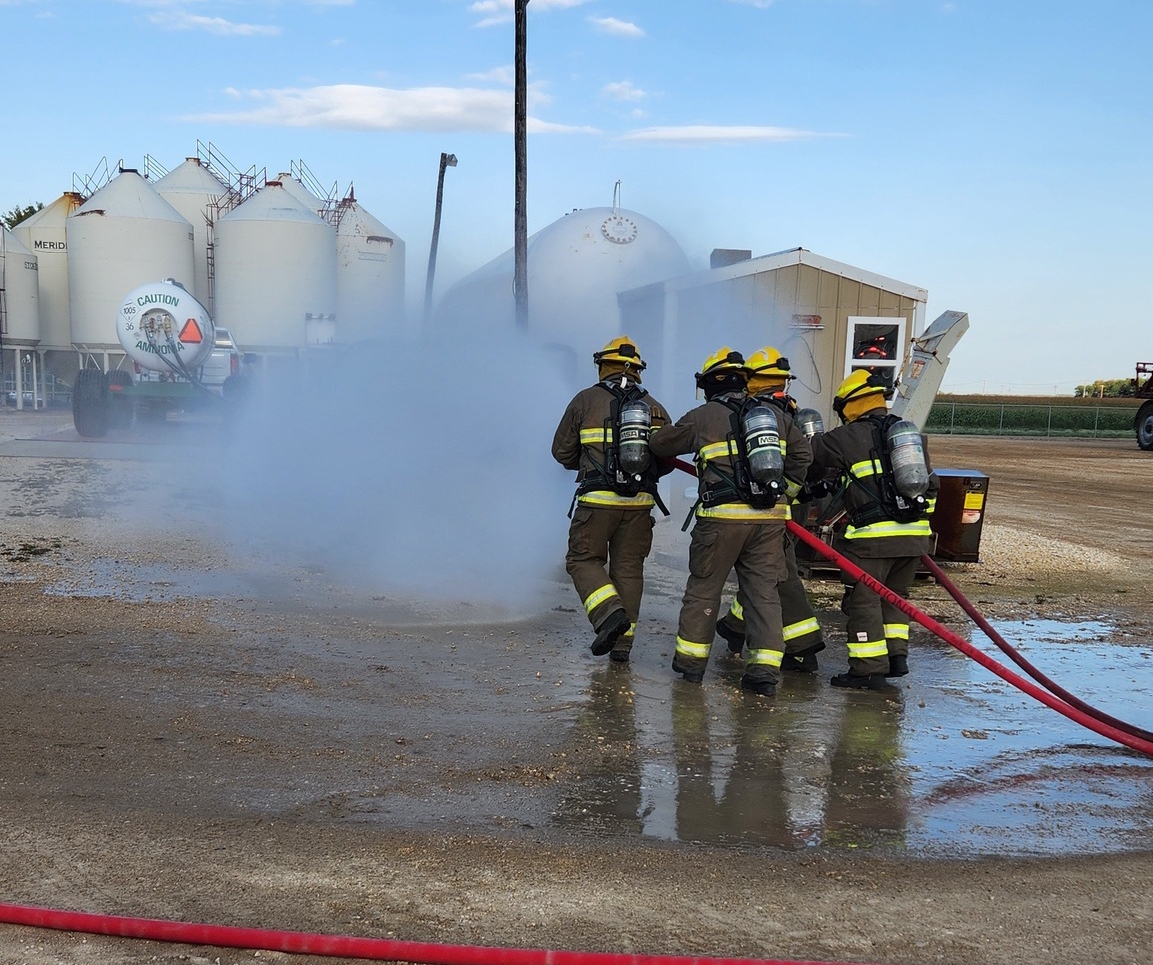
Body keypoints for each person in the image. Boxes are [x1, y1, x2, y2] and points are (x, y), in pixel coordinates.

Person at [648, 348, 812, 696]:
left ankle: (691, 666)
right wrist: (787, 494)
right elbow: (802, 454)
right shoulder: (773, 415)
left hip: (720, 521)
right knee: (762, 594)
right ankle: (763, 672)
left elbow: (662, 445)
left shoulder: (703, 416)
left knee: (704, 589)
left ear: (709, 384)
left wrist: (653, 430)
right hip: (770, 521)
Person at [810, 369, 939, 690]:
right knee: (896, 598)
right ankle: (896, 657)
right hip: (914, 538)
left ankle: (867, 668)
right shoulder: (907, 434)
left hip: (871, 541)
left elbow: (808, 458)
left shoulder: (845, 437)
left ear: (850, 406)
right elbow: (932, 486)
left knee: (863, 601)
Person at [551, 336, 672, 663]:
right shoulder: (656, 409)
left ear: (602, 365)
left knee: (583, 559)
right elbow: (668, 458)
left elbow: (561, 452)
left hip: (597, 501)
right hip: (640, 503)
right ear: (638, 371)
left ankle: (608, 615)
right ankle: (622, 646)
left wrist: (593, 465)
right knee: (629, 569)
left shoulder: (585, 401)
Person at [714, 347, 826, 673]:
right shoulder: (792, 409)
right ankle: (735, 626)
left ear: (753, 379)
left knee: (780, 575)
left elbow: (796, 458)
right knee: (761, 571)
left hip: (773, 506)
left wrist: (783, 497)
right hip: (793, 503)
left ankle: (803, 646)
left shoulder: (760, 413)